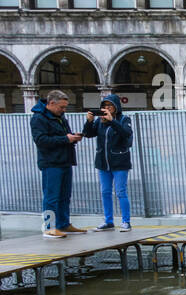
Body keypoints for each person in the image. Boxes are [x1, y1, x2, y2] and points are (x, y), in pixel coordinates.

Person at [29, 89, 84, 238]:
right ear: (51, 103)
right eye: (62, 107)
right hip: (51, 162)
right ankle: (48, 227)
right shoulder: (38, 119)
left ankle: (63, 223)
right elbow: (41, 141)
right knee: (51, 196)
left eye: (65, 107)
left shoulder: (60, 116)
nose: (64, 110)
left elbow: (64, 135)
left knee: (65, 195)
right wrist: (66, 139)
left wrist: (73, 137)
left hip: (65, 160)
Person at [82, 94, 133, 232]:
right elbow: (87, 134)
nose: (106, 109)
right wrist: (89, 121)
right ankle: (108, 221)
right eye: (104, 106)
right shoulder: (100, 121)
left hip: (119, 161)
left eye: (109, 106)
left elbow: (126, 134)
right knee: (105, 192)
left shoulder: (124, 119)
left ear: (116, 107)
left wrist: (112, 121)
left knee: (121, 191)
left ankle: (126, 221)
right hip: (103, 162)